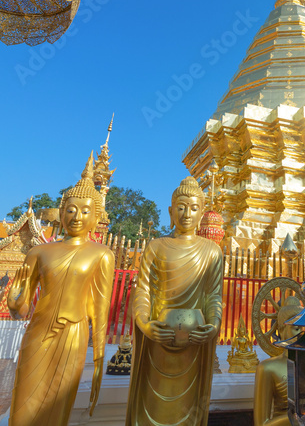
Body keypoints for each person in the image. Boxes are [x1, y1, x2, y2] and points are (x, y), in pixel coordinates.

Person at [7, 156, 115, 426]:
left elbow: (101, 310)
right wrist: (15, 303)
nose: (77, 217)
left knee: (58, 402)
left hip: (73, 333)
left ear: (97, 217)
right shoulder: (39, 252)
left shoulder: (101, 254)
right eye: (71, 210)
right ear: (61, 211)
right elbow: (22, 309)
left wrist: (99, 359)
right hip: (38, 330)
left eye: (85, 211)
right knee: (23, 401)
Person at [126, 176, 223, 426]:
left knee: (189, 412)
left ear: (202, 213)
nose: (187, 214)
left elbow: (213, 295)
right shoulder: (156, 247)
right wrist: (145, 324)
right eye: (181, 207)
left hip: (194, 341)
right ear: (170, 211)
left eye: (193, 208)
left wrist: (213, 325)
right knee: (150, 407)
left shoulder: (212, 251)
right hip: (158, 338)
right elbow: (143, 291)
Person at [254, 296, 302, 426]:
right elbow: (261, 424)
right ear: (281, 330)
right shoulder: (267, 368)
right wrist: (297, 420)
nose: (302, 333)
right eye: (297, 328)